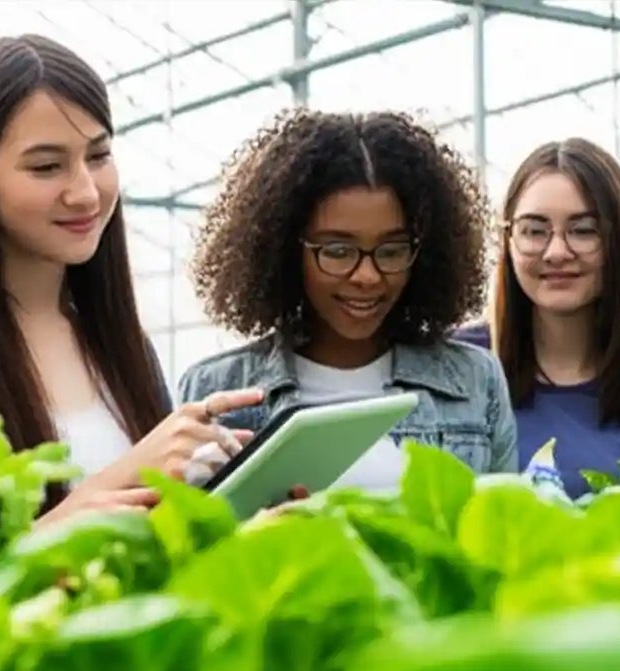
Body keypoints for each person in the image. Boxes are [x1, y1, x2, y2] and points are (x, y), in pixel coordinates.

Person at [0, 35, 262, 526]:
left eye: (99, 156)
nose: (86, 193)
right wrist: (133, 471)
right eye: (47, 167)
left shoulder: (120, 343)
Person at [177, 108, 519, 493]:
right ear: (288, 251)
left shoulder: (474, 380)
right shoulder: (217, 389)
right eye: (338, 251)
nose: (367, 276)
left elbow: (497, 539)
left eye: (391, 250)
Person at [455, 138, 620, 498]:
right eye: (534, 230)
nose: (557, 251)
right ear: (508, 241)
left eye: (584, 230)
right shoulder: (453, 368)